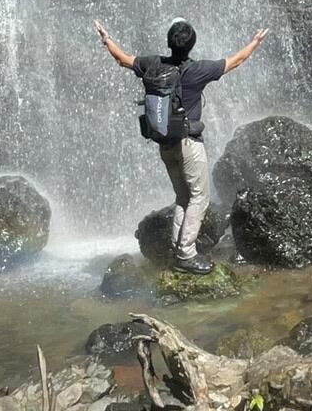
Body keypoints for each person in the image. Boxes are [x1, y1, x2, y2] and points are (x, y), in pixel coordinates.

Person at [94, 16, 268, 274]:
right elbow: (237, 60)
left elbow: (123, 59)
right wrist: (255, 42)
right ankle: (186, 254)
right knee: (200, 196)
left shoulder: (153, 65)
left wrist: (106, 38)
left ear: (169, 43)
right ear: (192, 45)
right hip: (189, 144)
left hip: (165, 143)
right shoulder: (198, 70)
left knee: (183, 197)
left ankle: (178, 250)